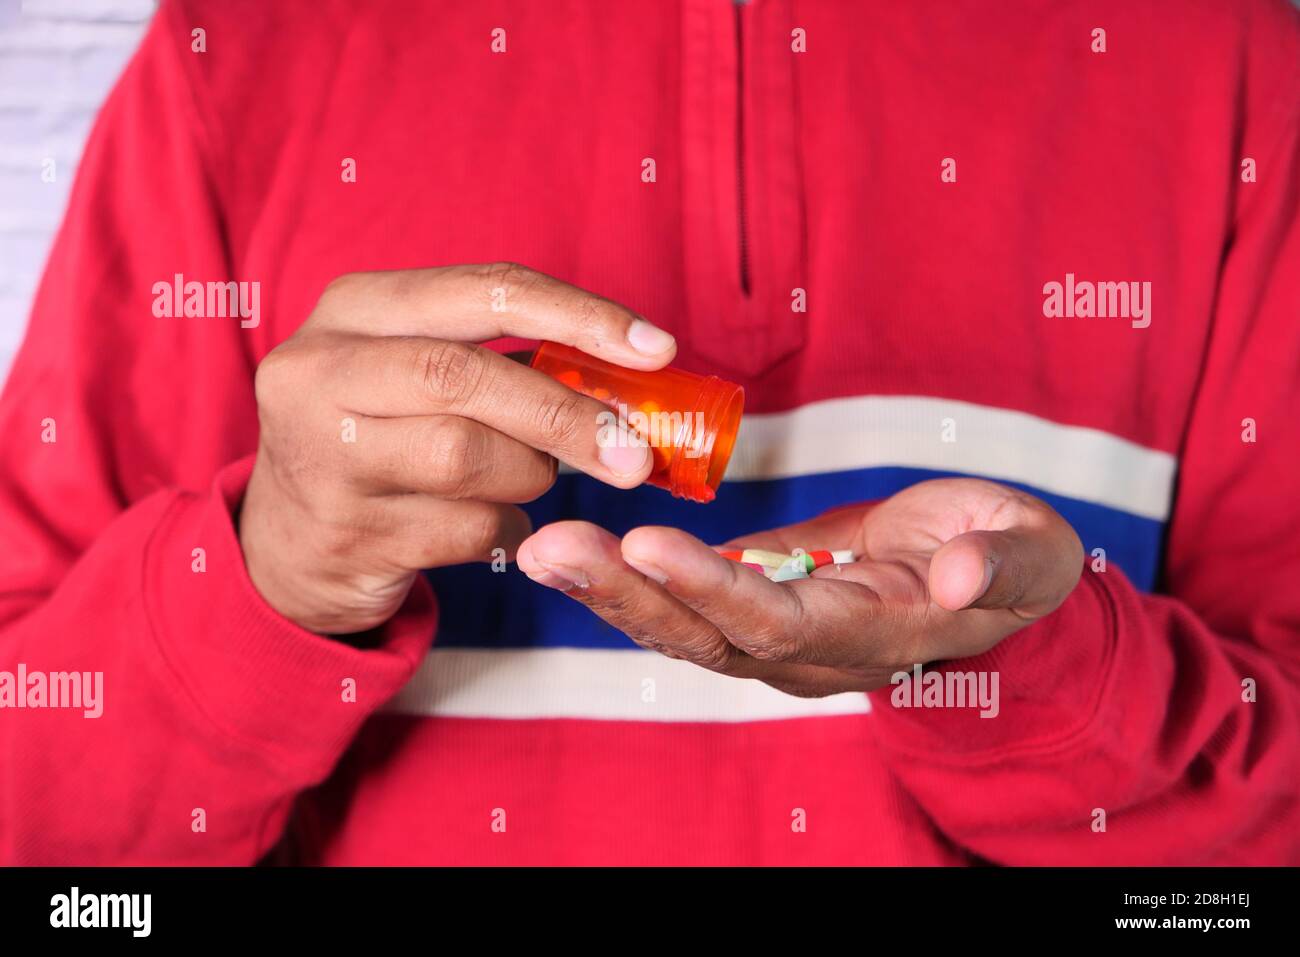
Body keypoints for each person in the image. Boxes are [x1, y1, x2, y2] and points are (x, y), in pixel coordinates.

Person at [1, 0, 1297, 865]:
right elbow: (39, 824)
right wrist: (267, 584)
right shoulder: (240, 45)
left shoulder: (1224, 52)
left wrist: (1032, 669)